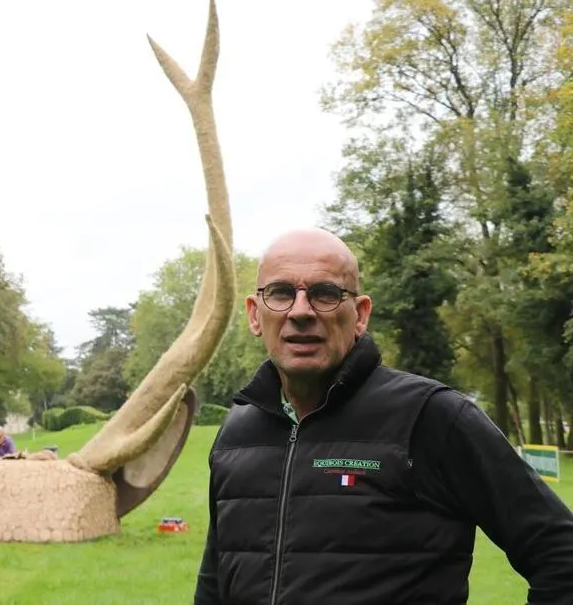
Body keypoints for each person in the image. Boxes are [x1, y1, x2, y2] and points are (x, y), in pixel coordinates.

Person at [194, 227, 573, 605]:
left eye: (325, 294)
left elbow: (559, 554)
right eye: (281, 293)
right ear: (254, 314)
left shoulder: (431, 417)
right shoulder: (237, 432)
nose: (301, 311)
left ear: (360, 315)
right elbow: (214, 584)